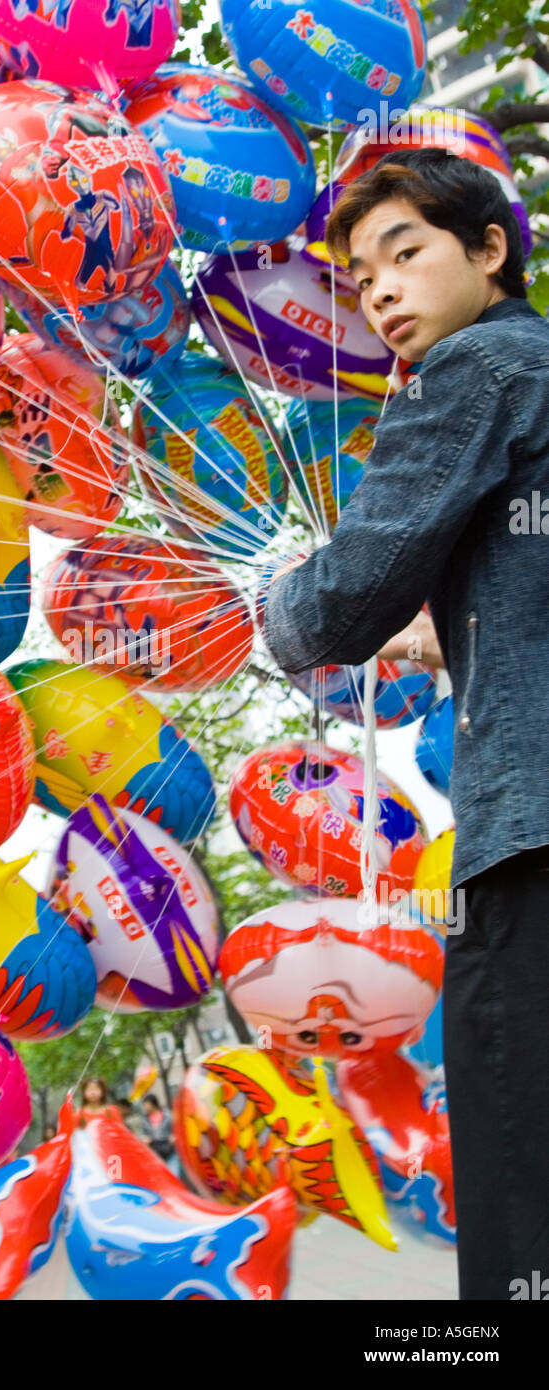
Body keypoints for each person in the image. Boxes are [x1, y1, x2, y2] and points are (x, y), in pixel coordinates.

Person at [261, 146, 549, 1301]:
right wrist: (449, 627)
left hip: (529, 838)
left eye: (403, 253)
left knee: (520, 1174)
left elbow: (348, 593)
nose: (377, 290)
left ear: (488, 251)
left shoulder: (470, 369)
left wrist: (273, 607)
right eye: (356, 273)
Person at [137, 1094, 178, 1173]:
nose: (145, 1108)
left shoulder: (168, 1115)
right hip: (155, 1151)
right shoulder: (144, 1119)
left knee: (173, 1173)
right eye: (144, 1105)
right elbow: (143, 1133)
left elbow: (175, 1129)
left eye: (146, 1105)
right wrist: (144, 1138)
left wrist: (173, 1136)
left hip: (170, 1148)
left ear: (153, 1104)